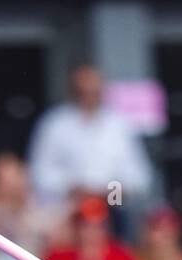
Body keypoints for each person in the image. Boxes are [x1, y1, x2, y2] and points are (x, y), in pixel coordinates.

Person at [27, 64, 153, 209]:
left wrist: (108, 194)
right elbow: (40, 173)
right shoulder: (55, 124)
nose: (89, 94)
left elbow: (138, 176)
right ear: (73, 90)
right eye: (84, 90)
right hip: (68, 211)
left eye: (94, 90)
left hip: (113, 208)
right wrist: (75, 189)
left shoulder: (119, 124)